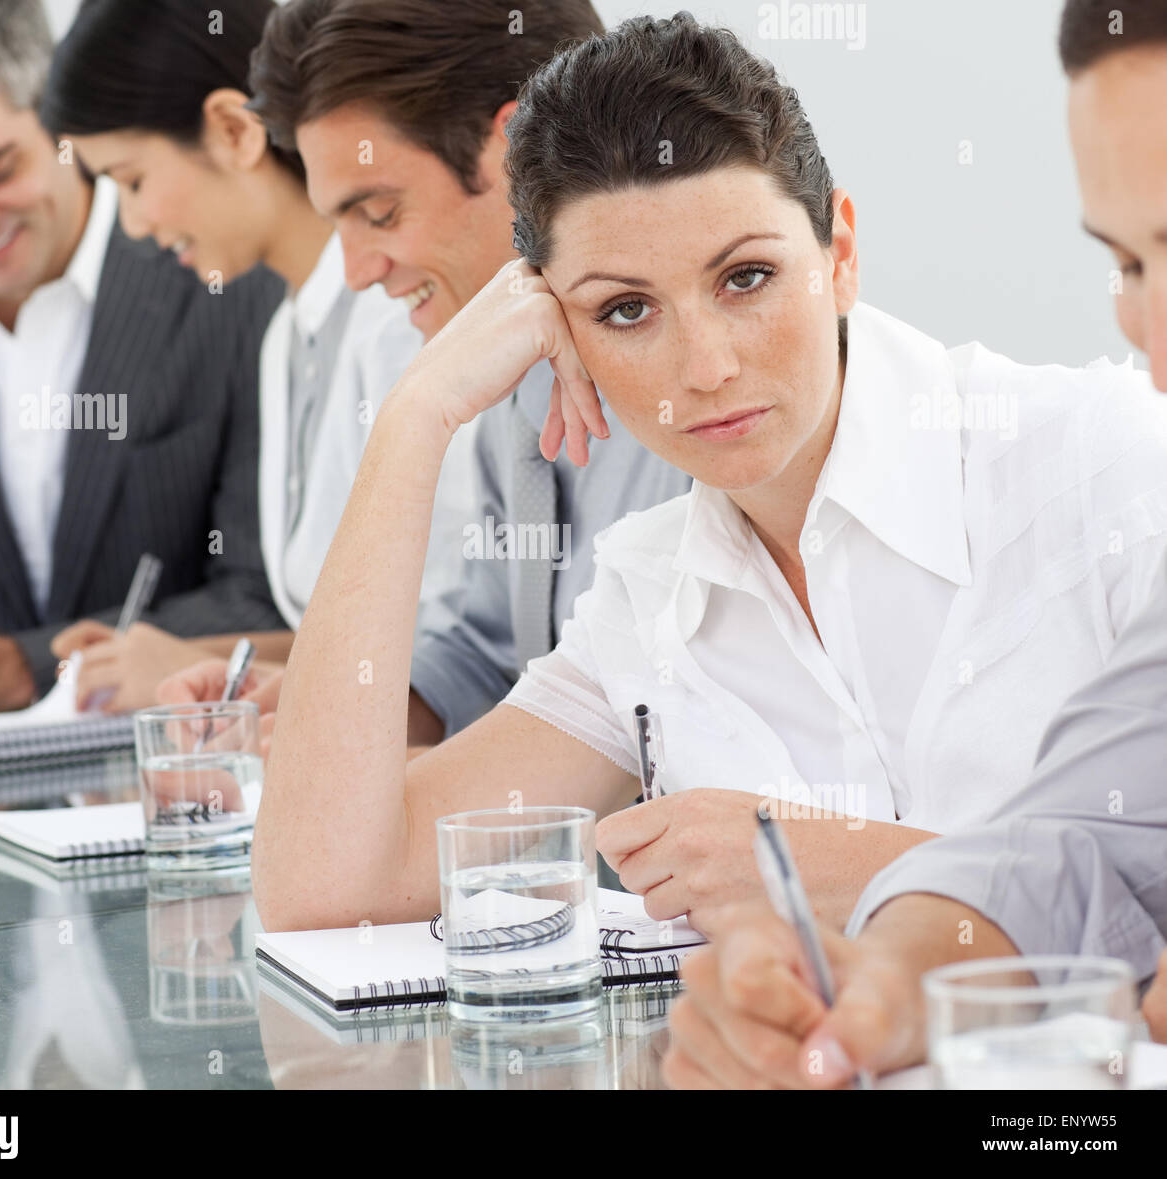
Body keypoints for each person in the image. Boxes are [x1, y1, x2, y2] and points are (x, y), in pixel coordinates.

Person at [251, 11, 1167, 936]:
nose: (707, 367)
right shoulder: (646, 596)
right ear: (560, 331)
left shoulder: (1102, 466)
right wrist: (416, 418)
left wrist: (856, 869)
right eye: (624, 311)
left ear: (839, 254)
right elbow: (331, 891)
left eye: (746, 278)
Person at [664, 0, 1167, 1090]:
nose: (1156, 351)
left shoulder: (1090, 454)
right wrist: (883, 988)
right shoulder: (653, 563)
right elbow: (1074, 847)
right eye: (1129, 267)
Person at [157, 0, 694, 756]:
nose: (356, 271)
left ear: (515, 154)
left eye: (377, 211)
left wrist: (367, 784)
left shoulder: (698, 390)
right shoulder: (525, 384)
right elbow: (489, 651)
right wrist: (339, 713)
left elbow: (628, 739)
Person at [25, 0, 473, 713]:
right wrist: (178, 659)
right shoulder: (286, 337)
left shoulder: (401, 316)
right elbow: (346, 637)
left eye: (132, 181)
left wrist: (198, 659)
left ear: (234, 130)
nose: (134, 226)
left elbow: (460, 651)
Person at [0, 0, 284, 715]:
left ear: (60, 117)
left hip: (175, 777)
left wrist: (21, 666)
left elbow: (268, 591)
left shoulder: (226, 263)